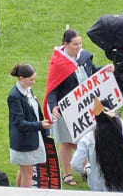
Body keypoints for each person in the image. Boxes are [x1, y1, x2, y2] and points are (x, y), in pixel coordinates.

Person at [44, 29, 115, 186]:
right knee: (66, 142)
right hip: (67, 109)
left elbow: (92, 71)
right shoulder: (58, 63)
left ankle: (86, 168)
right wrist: (54, 106)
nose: (78, 47)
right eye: (75, 44)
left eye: (80, 43)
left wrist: (105, 69)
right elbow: (52, 88)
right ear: (66, 45)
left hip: (84, 107)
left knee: (85, 139)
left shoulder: (84, 57)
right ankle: (67, 173)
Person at [71, 102, 123, 192]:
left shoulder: (87, 139)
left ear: (95, 117)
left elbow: (75, 163)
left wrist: (85, 171)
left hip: (97, 188)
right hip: (122, 186)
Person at [6, 64, 52, 188]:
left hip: (31, 138)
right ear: (21, 78)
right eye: (31, 79)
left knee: (23, 170)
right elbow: (19, 123)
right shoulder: (14, 96)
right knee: (28, 172)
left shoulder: (27, 89)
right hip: (23, 141)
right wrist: (40, 125)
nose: (34, 82)